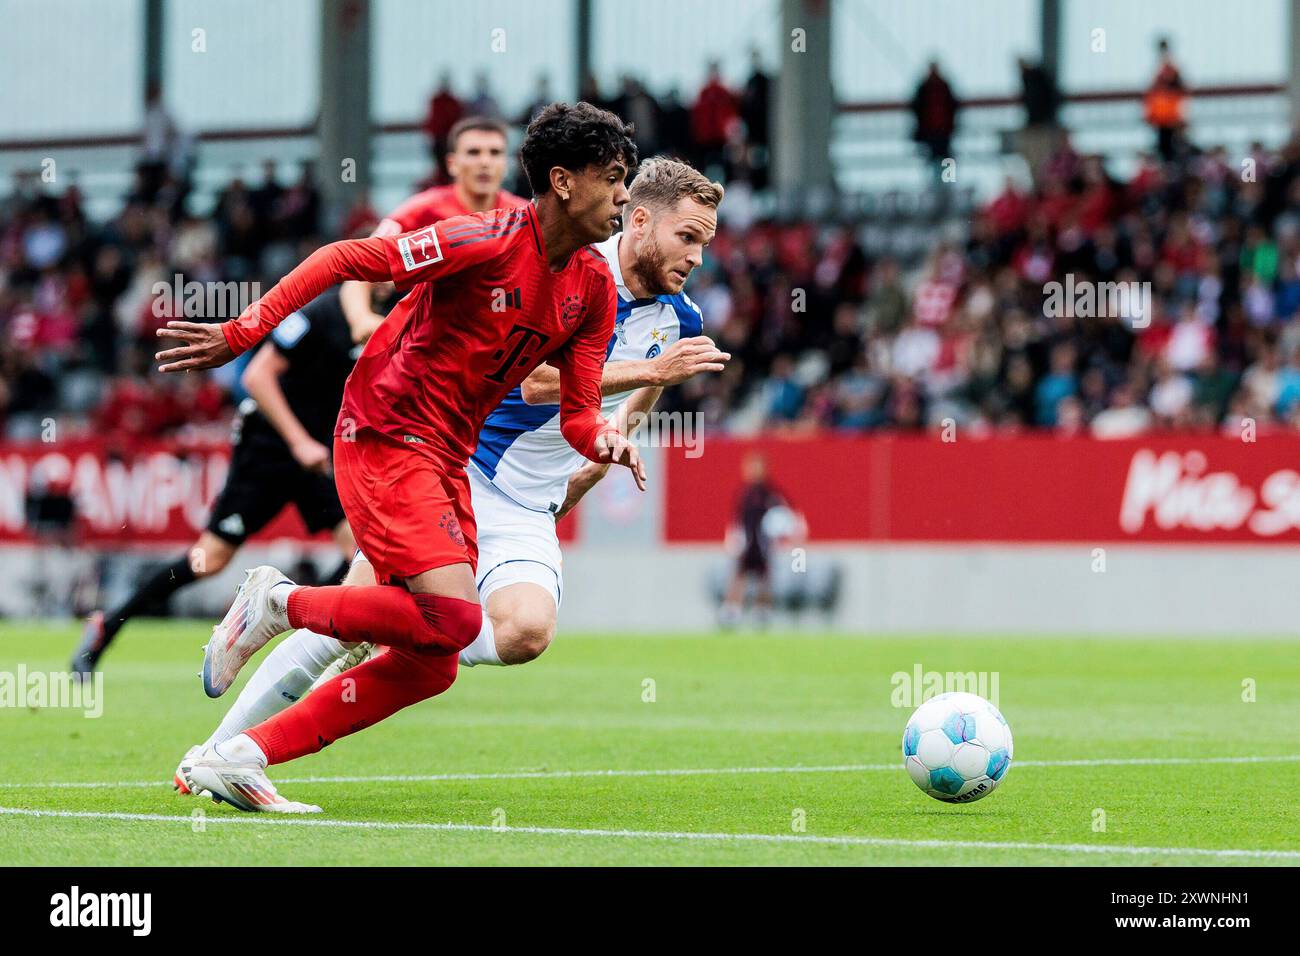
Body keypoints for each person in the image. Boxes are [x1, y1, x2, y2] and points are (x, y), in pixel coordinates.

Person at [172, 159, 728, 792]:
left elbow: (617, 413)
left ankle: (381, 635)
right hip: (466, 465)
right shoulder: (570, 261)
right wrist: (650, 374)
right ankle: (217, 751)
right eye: (688, 238)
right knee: (362, 628)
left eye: (705, 243)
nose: (697, 258)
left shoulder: (677, 321)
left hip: (532, 501)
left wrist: (591, 469)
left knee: (524, 632)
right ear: (640, 219)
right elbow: (536, 381)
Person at [70, 283, 396, 675]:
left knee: (359, 551)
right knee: (209, 559)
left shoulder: (384, 316)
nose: (393, 276)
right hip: (271, 448)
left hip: (318, 456)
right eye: (382, 267)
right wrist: (297, 442)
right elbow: (258, 377)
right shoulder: (318, 314)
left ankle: (299, 632)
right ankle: (108, 625)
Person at [338, 116, 528, 344]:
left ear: (506, 164)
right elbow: (357, 269)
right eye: (473, 153)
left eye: (495, 153)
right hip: (433, 347)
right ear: (452, 164)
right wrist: (362, 319)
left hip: (503, 348)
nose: (485, 162)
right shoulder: (419, 211)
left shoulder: (524, 216)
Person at [720, 452, 789, 627]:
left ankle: (762, 612)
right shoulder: (743, 493)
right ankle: (732, 611)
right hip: (747, 543)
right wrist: (734, 537)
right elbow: (737, 519)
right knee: (739, 576)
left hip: (763, 544)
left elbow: (783, 516)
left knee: (764, 578)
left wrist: (781, 537)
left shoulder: (771, 493)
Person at [910, 60, 959, 179]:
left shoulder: (942, 86)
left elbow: (953, 105)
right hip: (931, 132)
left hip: (943, 131)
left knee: (945, 158)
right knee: (933, 160)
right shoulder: (925, 87)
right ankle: (935, 185)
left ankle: (948, 183)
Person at [1144, 37, 1187, 163]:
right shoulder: (1162, 70)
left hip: (1169, 119)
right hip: (1162, 119)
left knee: (1171, 150)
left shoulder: (1169, 70)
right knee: (1166, 150)